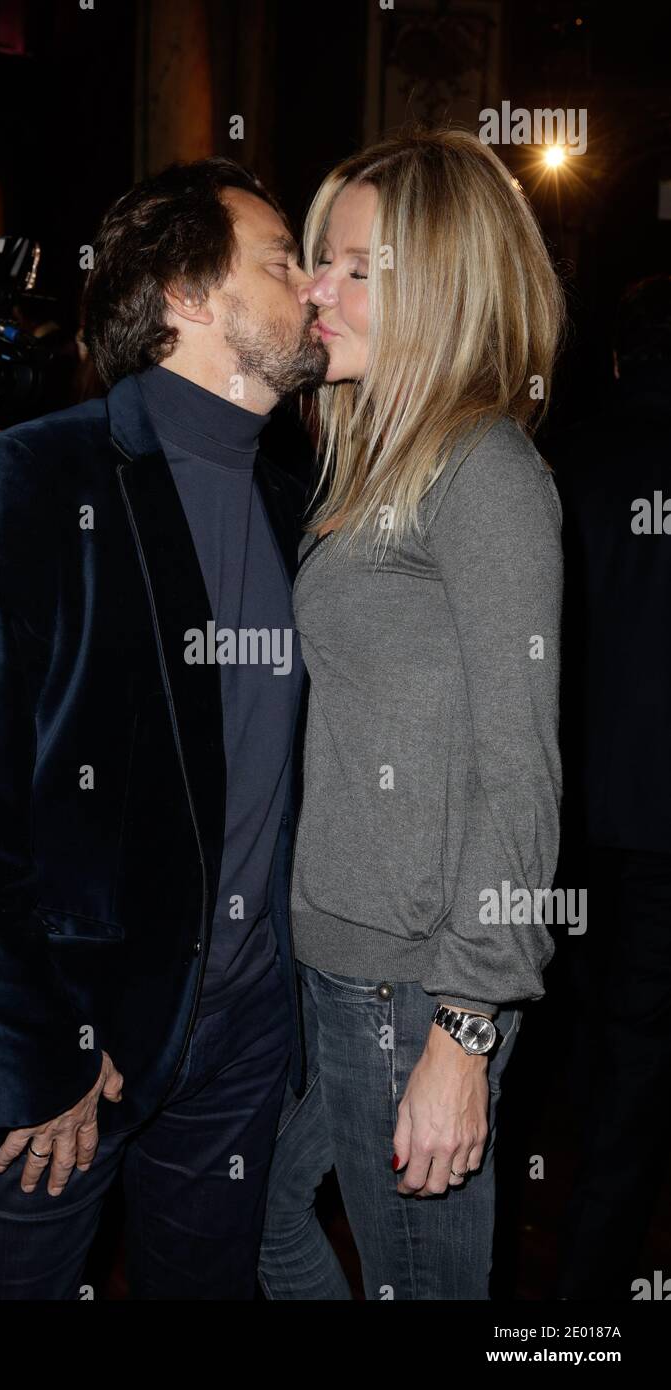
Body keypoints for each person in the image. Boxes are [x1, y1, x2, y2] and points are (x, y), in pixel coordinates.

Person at [0, 156, 329, 1300]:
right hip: (64, 1048)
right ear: (187, 293)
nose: (314, 287)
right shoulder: (30, 480)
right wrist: (37, 1056)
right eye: (284, 262)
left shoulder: (292, 498)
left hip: (240, 1032)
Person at [258, 128, 565, 1300]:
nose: (313, 291)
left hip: (413, 986)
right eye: (315, 262)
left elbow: (519, 773)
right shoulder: (374, 461)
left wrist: (464, 1028)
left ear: (436, 285)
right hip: (344, 962)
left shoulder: (482, 472)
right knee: (262, 1218)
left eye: (351, 267)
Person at [552, 275, 671, 1300]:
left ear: (622, 357)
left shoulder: (563, 467)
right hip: (657, 827)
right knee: (634, 1054)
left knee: (584, 1034)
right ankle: (587, 1286)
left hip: (569, 819)